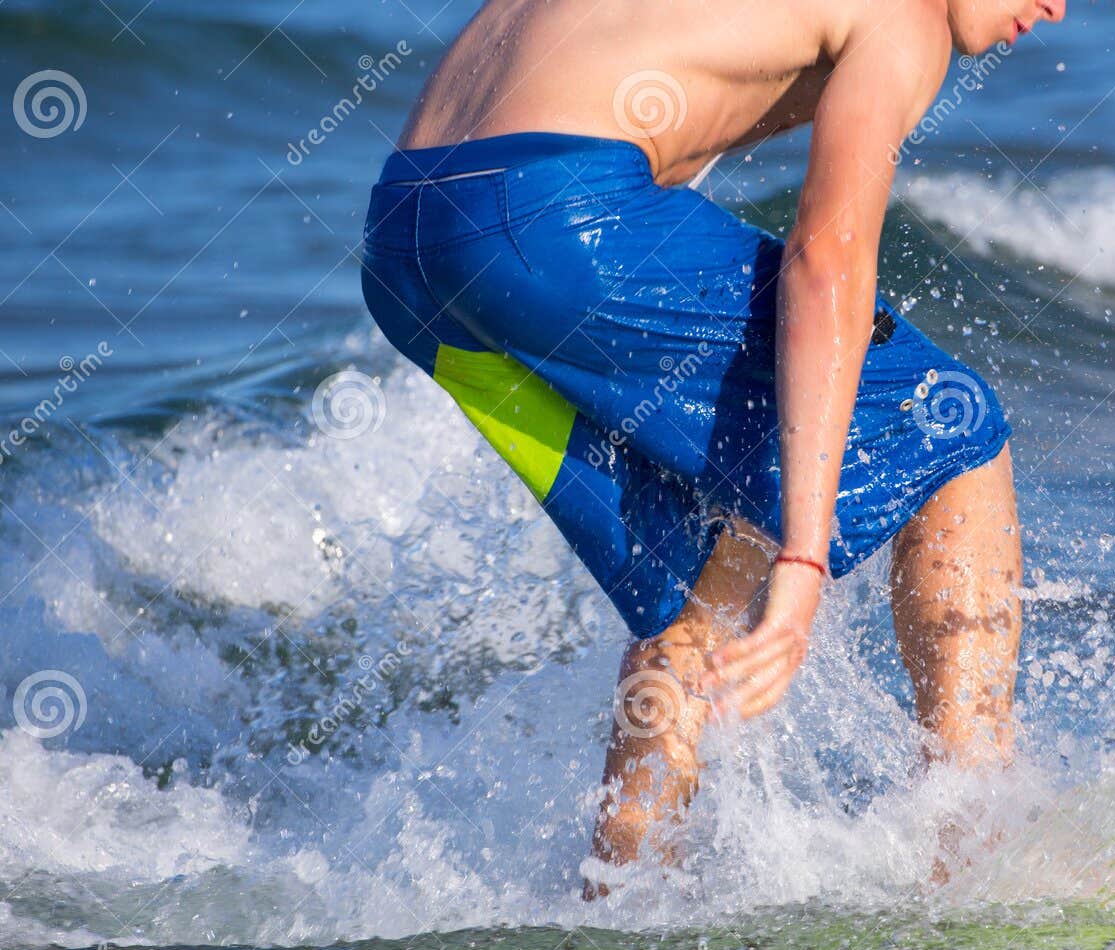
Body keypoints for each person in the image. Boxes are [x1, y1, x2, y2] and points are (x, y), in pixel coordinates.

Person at [361, 0, 1060, 895]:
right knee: (956, 428)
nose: (1057, 7)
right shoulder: (908, 18)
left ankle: (623, 902)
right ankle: (976, 851)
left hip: (406, 246)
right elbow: (827, 260)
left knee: (705, 573)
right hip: (548, 216)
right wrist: (805, 557)